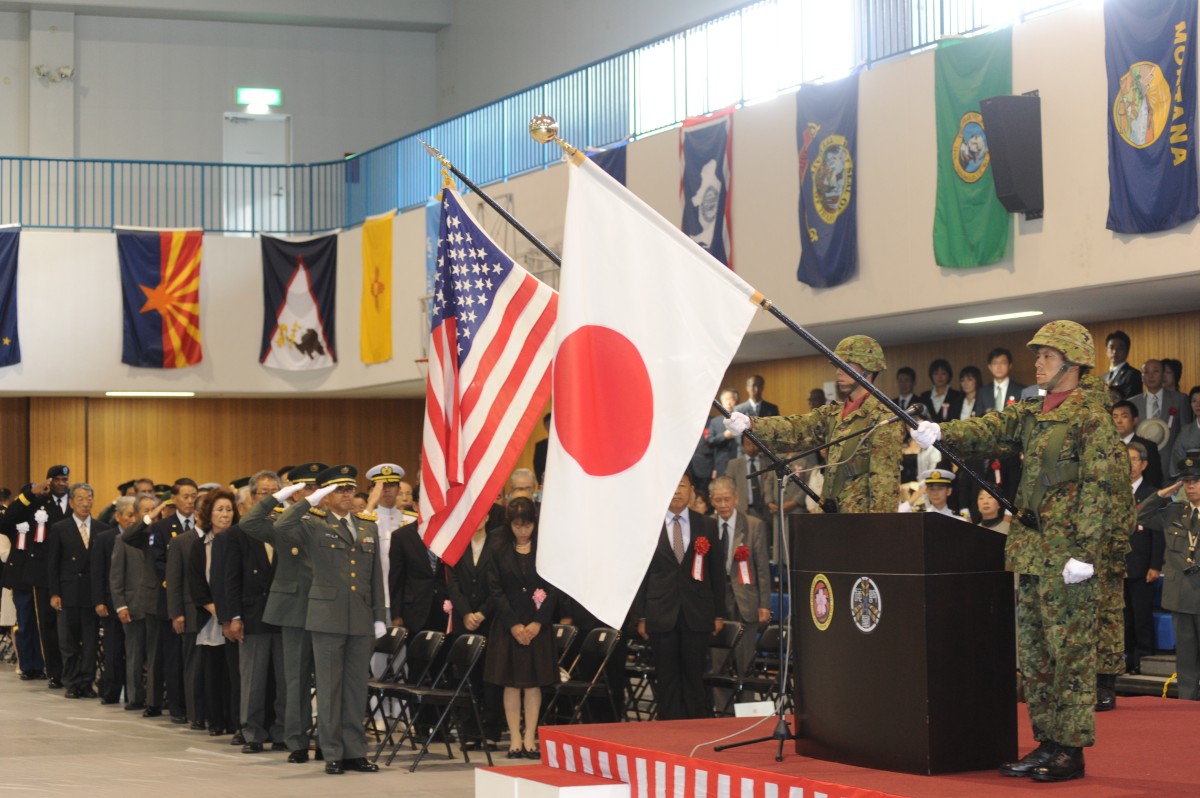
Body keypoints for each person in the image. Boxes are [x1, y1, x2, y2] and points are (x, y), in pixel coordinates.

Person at [912, 320, 1134, 782]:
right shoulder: (1034, 411)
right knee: (1035, 655)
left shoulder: (1092, 418)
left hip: (1070, 557)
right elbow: (990, 428)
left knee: (1068, 654)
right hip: (1033, 550)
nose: (1037, 363)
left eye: (1047, 356)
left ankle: (1070, 750)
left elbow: (1103, 490)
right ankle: (1047, 742)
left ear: (1073, 364)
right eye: (1037, 355)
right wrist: (940, 432)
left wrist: (1087, 554)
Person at [274, 465, 385, 775]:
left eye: (351, 488)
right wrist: (310, 500)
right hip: (326, 618)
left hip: (361, 618)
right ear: (325, 495)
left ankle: (355, 751)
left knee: (355, 688)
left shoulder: (367, 526)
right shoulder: (312, 523)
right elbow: (282, 526)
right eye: (340, 489)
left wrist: (380, 615)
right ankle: (332, 752)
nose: (348, 494)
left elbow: (376, 575)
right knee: (329, 688)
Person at [726, 336, 903, 514]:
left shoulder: (884, 418)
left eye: (847, 366)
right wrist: (751, 423)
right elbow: (798, 428)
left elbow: (885, 486)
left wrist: (881, 532)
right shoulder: (833, 414)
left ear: (869, 368)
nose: (838, 372)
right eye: (837, 365)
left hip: (861, 521)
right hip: (831, 516)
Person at [239, 462, 325, 763]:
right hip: (295, 609)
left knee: (329, 680)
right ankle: (297, 740)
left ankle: (328, 740)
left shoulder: (333, 519)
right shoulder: (281, 520)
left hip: (329, 608)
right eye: (302, 487)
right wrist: (278, 497)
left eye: (314, 487)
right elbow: (248, 523)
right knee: (295, 679)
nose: (308, 493)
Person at [634, 473, 725, 721]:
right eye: (671, 486)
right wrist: (641, 615)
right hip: (661, 612)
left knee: (694, 673)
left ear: (692, 490)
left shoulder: (706, 524)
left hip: (697, 612)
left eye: (682, 485)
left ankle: (694, 725)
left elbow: (716, 572)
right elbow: (641, 574)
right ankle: (669, 725)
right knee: (666, 675)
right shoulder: (649, 526)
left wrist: (719, 613)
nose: (676, 491)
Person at [483, 497, 558, 758]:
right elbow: (495, 589)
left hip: (538, 625)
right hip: (508, 625)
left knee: (533, 683)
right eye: (518, 526)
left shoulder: (546, 545)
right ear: (509, 525)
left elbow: (554, 588)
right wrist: (514, 624)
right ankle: (514, 737)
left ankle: (530, 738)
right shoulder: (497, 544)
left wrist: (538, 622)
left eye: (527, 526)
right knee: (511, 683)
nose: (523, 531)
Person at [224, 473, 286, 754]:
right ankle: (252, 733)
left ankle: (284, 730)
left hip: (285, 617)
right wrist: (233, 616)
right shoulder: (238, 534)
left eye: (276, 492)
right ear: (252, 497)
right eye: (264, 493)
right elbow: (229, 580)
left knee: (286, 681)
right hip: (253, 616)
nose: (270, 498)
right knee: (254, 681)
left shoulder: (288, 527)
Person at [1139, 457, 1200, 698]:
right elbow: (1139, 516)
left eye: (1196, 481)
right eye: (1186, 481)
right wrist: (1163, 494)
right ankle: (1187, 700)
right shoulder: (1175, 511)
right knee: (1185, 654)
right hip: (1181, 594)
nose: (1190, 486)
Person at [708, 476, 770, 709]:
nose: (723, 504)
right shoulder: (706, 524)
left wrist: (764, 604)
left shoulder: (754, 525)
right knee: (718, 661)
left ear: (736, 498)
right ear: (712, 501)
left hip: (746, 599)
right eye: (718, 500)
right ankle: (721, 711)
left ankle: (747, 710)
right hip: (717, 600)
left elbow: (762, 568)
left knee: (746, 661)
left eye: (727, 499)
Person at [47, 482, 108, 699]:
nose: (85, 502)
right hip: (68, 592)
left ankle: (86, 682)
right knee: (69, 641)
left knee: (90, 642)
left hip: (92, 594)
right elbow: (52, 564)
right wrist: (54, 593)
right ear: (71, 502)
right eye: (80, 498)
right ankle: (72, 682)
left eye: (89, 498)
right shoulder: (59, 528)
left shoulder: (102, 529)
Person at [446, 519, 503, 749]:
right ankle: (469, 731)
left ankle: (491, 732)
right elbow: (454, 584)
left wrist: (482, 612)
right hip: (464, 620)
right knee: (467, 677)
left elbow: (499, 584)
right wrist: (467, 612)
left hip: (490, 620)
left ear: (488, 516)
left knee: (491, 678)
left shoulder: (498, 545)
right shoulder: (457, 545)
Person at [189, 490, 238, 736]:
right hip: (210, 618)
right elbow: (196, 584)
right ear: (209, 513)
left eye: (229, 509)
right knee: (212, 673)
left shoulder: (241, 540)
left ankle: (234, 720)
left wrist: (232, 613)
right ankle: (215, 721)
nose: (225, 514)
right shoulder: (199, 546)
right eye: (219, 509)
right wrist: (217, 610)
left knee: (234, 673)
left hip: (236, 618)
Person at [110, 494, 154, 711]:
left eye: (152, 509)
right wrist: (121, 604)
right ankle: (135, 696)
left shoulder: (159, 535)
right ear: (137, 515)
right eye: (145, 510)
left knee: (154, 654)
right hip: (133, 606)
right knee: (135, 654)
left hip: (154, 606)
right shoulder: (123, 540)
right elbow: (116, 576)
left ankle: (155, 696)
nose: (150, 514)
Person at [1123, 442, 1162, 677]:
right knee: (1123, 618)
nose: (1130, 464)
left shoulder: (1151, 493)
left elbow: (1158, 533)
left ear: (1144, 464)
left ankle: (1143, 659)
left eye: (1134, 459)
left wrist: (1155, 565)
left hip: (1142, 565)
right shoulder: (1115, 492)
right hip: (1119, 567)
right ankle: (1126, 660)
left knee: (1141, 616)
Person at [1104, 331, 1141, 399]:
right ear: (1106, 351)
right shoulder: (1102, 378)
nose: (1115, 351)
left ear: (1127, 351)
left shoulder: (1133, 375)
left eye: (1120, 348)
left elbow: (1133, 402)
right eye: (1111, 347)